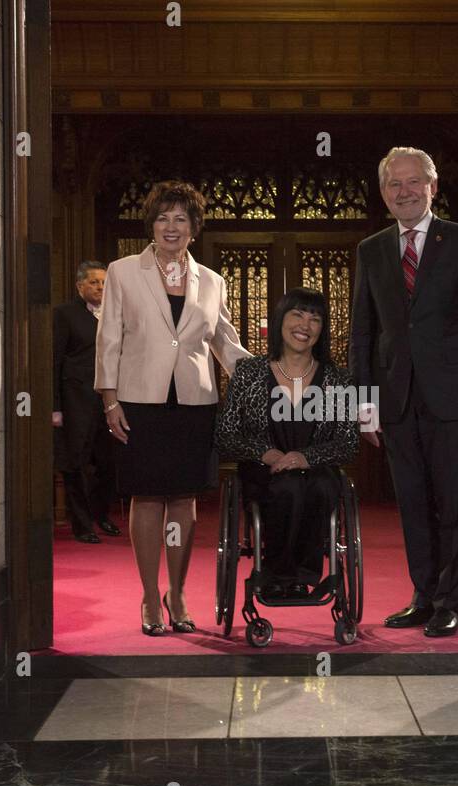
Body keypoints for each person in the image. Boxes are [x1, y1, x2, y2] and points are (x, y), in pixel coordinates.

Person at [348, 147, 458, 637]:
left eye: (415, 183)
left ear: (433, 188)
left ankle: (450, 601)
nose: (405, 192)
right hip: (395, 399)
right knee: (412, 502)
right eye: (395, 184)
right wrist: (363, 402)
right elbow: (362, 334)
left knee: (453, 502)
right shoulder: (371, 250)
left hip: (454, 398)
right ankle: (422, 595)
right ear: (384, 193)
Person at [94, 181, 251, 636]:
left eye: (181, 219)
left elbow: (224, 341)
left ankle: (177, 593)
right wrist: (109, 399)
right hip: (139, 401)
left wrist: (268, 372)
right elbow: (110, 339)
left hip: (194, 403)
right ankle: (149, 595)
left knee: (184, 499)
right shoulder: (123, 272)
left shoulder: (213, 281)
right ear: (152, 224)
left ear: (194, 228)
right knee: (146, 498)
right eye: (163, 217)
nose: (171, 226)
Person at [216, 289, 359, 598]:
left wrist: (304, 457)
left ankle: (303, 575)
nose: (305, 325)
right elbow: (226, 436)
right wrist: (264, 453)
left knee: (318, 487)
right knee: (286, 488)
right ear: (281, 320)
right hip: (263, 472)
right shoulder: (249, 373)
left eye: (315, 319)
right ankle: (278, 574)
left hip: (317, 470)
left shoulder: (337, 379)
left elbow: (348, 443)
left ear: (322, 330)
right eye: (297, 314)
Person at [53, 261, 121, 543]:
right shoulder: (64, 315)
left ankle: (102, 515)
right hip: (76, 401)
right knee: (77, 463)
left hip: (111, 400)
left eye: (104, 283)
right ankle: (82, 525)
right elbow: (54, 361)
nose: (100, 287)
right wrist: (54, 407)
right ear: (80, 286)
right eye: (94, 282)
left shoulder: (117, 315)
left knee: (109, 462)